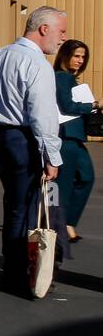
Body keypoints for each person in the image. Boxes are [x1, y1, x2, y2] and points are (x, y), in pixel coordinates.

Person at [0, 6, 68, 296]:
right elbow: (43, 116)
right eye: (61, 31)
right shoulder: (38, 64)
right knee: (26, 208)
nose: (63, 38)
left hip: (2, 136)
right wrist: (52, 157)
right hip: (25, 139)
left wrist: (1, 110)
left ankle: (12, 273)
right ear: (44, 29)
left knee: (14, 205)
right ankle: (21, 277)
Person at [53, 40, 97, 242]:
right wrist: (94, 105)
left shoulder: (68, 78)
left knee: (86, 177)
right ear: (65, 56)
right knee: (65, 184)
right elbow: (67, 106)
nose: (80, 60)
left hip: (74, 137)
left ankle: (66, 222)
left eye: (83, 57)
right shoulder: (62, 77)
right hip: (66, 136)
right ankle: (60, 226)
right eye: (76, 56)